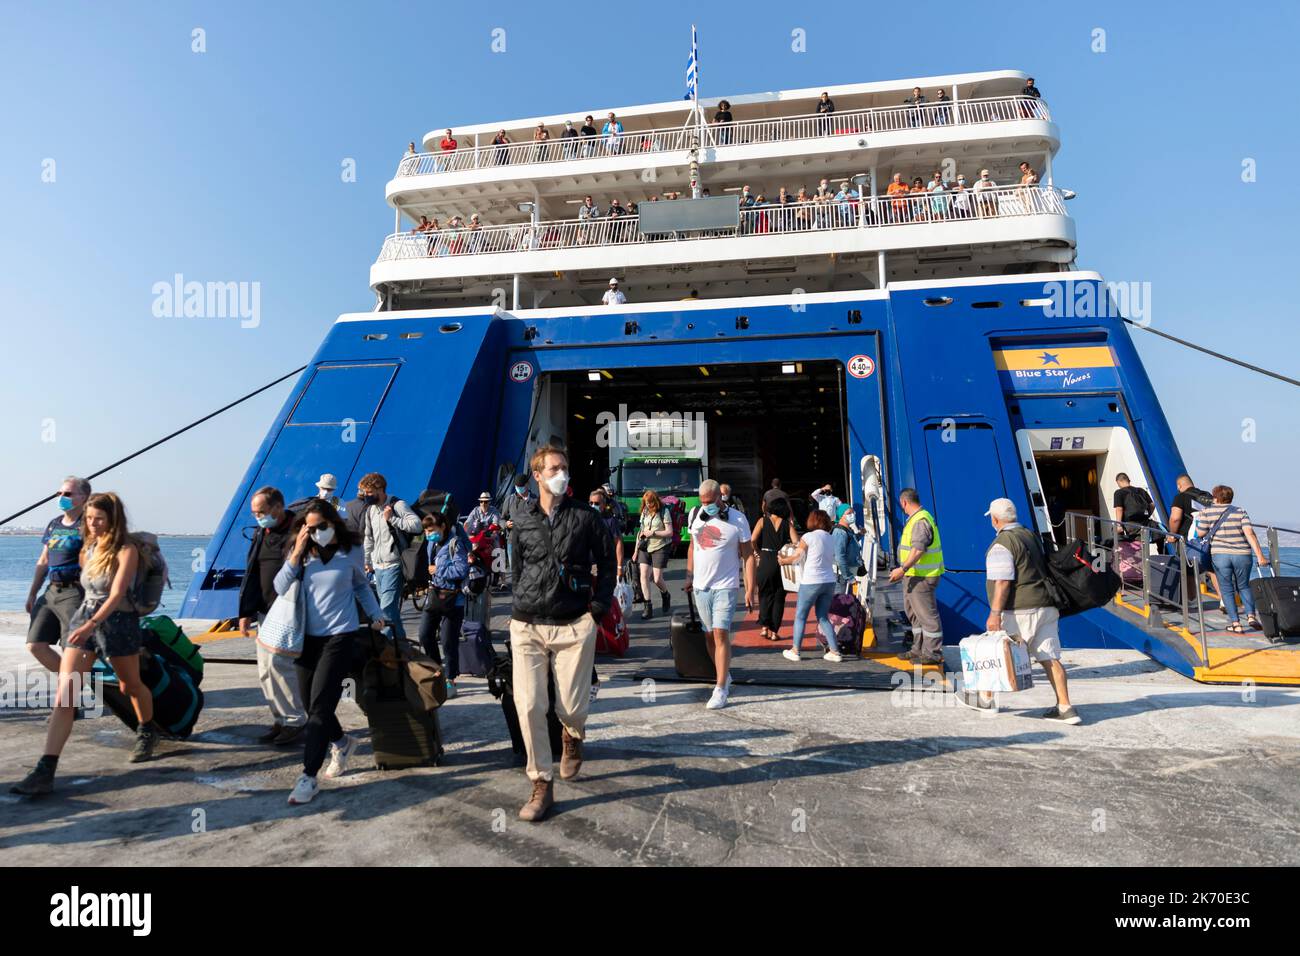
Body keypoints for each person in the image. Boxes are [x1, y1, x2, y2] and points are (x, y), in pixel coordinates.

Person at [12, 493, 156, 796]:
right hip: (84, 619)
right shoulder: (88, 547)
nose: (92, 524)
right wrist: (80, 620)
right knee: (66, 696)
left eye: (99, 519)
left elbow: (116, 594)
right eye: (89, 518)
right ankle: (45, 770)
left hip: (118, 622)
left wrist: (93, 623)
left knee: (130, 686)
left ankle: (146, 729)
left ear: (113, 519)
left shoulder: (126, 550)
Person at [508, 444, 615, 822]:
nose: (561, 473)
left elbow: (608, 560)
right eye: (554, 468)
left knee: (570, 706)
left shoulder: (586, 517)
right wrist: (523, 599)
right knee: (530, 704)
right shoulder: (522, 518)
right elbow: (517, 567)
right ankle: (540, 782)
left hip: (573, 624)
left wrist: (598, 609)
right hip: (528, 625)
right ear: (537, 475)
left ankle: (572, 736)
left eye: (565, 467)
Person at [278, 500, 387, 805]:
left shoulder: (351, 551)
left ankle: (308, 776)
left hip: (341, 636)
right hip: (305, 639)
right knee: (312, 705)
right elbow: (278, 586)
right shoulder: (302, 553)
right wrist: (297, 553)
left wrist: (375, 612)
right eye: (309, 528)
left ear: (334, 524)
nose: (316, 533)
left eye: (321, 527)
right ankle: (342, 741)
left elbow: (361, 586)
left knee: (321, 707)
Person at [975, 498, 1079, 723]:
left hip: (1019, 609)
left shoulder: (1002, 544)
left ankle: (986, 700)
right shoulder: (1030, 536)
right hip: (1046, 605)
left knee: (996, 652)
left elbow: (1002, 582)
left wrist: (994, 614)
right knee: (1050, 657)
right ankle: (1065, 707)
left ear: (995, 519)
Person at [238, 486, 307, 744]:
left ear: (278, 507)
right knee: (264, 670)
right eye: (255, 513)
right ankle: (280, 719)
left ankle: (296, 720)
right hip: (265, 611)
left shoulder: (297, 531)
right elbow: (252, 571)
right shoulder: (261, 532)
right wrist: (245, 612)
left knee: (281, 667)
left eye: (262, 512)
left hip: (288, 610)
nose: (258, 516)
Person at [686, 480, 755, 707]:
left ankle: (720, 687)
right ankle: (723, 672)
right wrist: (689, 575)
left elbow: (748, 555)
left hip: (726, 585)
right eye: (702, 502)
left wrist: (750, 588)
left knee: (720, 633)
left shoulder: (737, 519)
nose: (706, 506)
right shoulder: (695, 514)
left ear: (720, 497)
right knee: (708, 635)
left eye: (710, 502)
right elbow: (692, 547)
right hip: (701, 586)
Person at [25, 476, 91, 676]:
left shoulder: (88, 524)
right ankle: (70, 686)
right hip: (51, 591)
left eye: (68, 494)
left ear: (84, 497)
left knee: (69, 647)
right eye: (59, 493)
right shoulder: (54, 524)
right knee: (35, 644)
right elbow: (44, 560)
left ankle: (69, 701)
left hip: (75, 591)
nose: (62, 497)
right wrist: (32, 593)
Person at [1195, 485, 1270, 633]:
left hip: (1220, 555)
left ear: (1215, 498)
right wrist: (1260, 555)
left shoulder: (1206, 512)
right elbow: (1250, 533)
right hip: (1242, 554)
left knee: (1227, 589)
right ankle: (1251, 617)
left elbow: (1200, 533)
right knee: (1244, 586)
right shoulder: (1240, 511)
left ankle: (1236, 624)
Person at [357, 473, 421, 640]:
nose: (366, 496)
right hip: (378, 567)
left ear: (380, 489)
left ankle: (389, 646)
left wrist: (392, 519)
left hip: (394, 564)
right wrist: (367, 561)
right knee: (388, 610)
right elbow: (368, 538)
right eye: (364, 492)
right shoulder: (371, 509)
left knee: (385, 609)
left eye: (369, 492)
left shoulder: (397, 505)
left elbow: (416, 525)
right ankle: (401, 645)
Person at [887, 488, 945, 665]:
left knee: (927, 616)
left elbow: (919, 549)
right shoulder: (917, 519)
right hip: (914, 575)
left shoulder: (920, 521)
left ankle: (933, 653)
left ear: (904, 502)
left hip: (921, 576)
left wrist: (902, 569)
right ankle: (917, 649)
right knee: (915, 615)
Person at [779, 509, 842, 662]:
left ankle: (795, 650)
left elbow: (797, 557)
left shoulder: (808, 537)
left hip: (811, 581)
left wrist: (783, 560)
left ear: (812, 520)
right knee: (823, 617)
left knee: (801, 616)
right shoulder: (831, 537)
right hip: (828, 581)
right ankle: (835, 651)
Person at [417, 511, 469, 699]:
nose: (429, 534)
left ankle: (450, 678)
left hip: (453, 598)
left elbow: (462, 570)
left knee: (448, 640)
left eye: (432, 530)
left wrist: (439, 569)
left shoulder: (455, 544)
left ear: (443, 527)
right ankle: (435, 668)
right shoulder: (432, 542)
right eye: (426, 531)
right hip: (435, 594)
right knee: (424, 633)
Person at [751, 494, 798, 641]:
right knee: (779, 597)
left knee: (764, 594)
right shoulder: (787, 524)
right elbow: (797, 542)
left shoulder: (762, 521)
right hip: (781, 562)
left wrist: (758, 551)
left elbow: (752, 539)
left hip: (766, 559)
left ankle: (764, 627)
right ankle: (774, 632)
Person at [633, 490, 674, 619]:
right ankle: (648, 607)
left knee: (656, 579)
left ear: (655, 501)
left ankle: (665, 594)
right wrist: (635, 551)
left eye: (650, 502)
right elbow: (640, 533)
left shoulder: (664, 512)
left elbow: (670, 532)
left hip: (660, 546)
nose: (648, 505)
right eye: (646, 503)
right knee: (643, 575)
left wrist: (653, 533)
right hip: (645, 546)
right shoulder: (644, 512)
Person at [589, 488, 626, 576]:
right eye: (591, 503)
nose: (593, 506)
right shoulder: (586, 519)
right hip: (589, 565)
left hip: (606, 565)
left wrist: (619, 567)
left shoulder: (611, 521)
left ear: (604, 504)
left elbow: (618, 543)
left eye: (597, 503)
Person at [1112, 472, 1155, 541]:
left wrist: (1118, 525)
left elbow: (1119, 509)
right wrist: (1148, 515)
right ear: (1128, 480)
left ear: (1119, 481)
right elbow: (1152, 505)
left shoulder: (1119, 492)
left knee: (1116, 533)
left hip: (1130, 524)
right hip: (1145, 522)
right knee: (1143, 543)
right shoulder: (1141, 490)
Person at [831, 504, 861, 595]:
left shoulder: (847, 530)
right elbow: (839, 557)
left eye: (853, 512)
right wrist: (849, 577)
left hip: (847, 573)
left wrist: (860, 535)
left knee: (848, 600)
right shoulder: (839, 532)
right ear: (841, 516)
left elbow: (850, 542)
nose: (852, 515)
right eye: (849, 513)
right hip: (843, 575)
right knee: (844, 601)